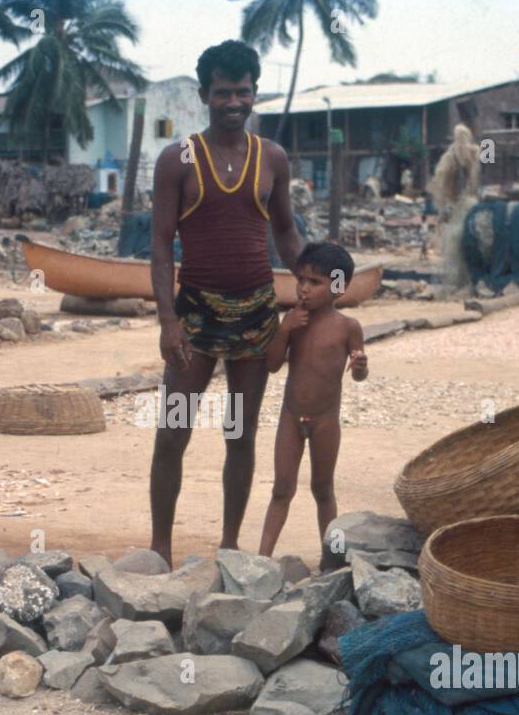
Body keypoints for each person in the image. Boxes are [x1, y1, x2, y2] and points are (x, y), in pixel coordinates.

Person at [149, 39, 304, 567]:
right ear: (203, 95)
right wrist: (168, 319)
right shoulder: (178, 159)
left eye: (242, 92)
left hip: (256, 319)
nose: (233, 102)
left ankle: (230, 547)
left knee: (239, 433)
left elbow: (285, 232)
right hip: (194, 317)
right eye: (222, 93)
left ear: (255, 94)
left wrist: (318, 279)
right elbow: (159, 244)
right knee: (174, 430)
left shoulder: (273, 158)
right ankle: (159, 549)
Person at [258, 242, 368, 558]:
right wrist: (283, 330)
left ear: (338, 286)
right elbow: (272, 364)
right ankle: (263, 558)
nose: (304, 289)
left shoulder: (348, 327)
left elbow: (358, 373)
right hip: (291, 418)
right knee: (281, 489)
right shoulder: (294, 322)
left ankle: (331, 558)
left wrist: (361, 366)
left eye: (315, 282)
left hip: (325, 422)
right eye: (301, 280)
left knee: (323, 490)